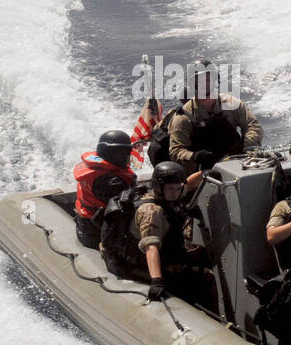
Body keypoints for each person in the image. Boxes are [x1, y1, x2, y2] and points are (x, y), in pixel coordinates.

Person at [101, 160, 212, 306]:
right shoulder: (152, 211)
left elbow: (189, 184)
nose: (176, 192)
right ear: (159, 188)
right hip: (140, 263)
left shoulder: (169, 193)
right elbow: (150, 247)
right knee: (199, 282)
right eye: (172, 189)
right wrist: (157, 281)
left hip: (166, 252)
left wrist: (207, 172)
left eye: (178, 188)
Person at [168, 60, 262, 175]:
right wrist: (195, 156)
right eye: (200, 80)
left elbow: (253, 126)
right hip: (204, 173)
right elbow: (176, 151)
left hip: (238, 163)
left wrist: (245, 148)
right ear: (194, 84)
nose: (205, 84)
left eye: (208, 79)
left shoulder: (232, 104)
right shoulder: (183, 117)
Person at [73, 130, 136, 248]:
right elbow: (127, 209)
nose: (128, 157)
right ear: (111, 154)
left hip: (86, 224)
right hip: (96, 233)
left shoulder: (95, 169)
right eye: (123, 153)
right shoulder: (112, 183)